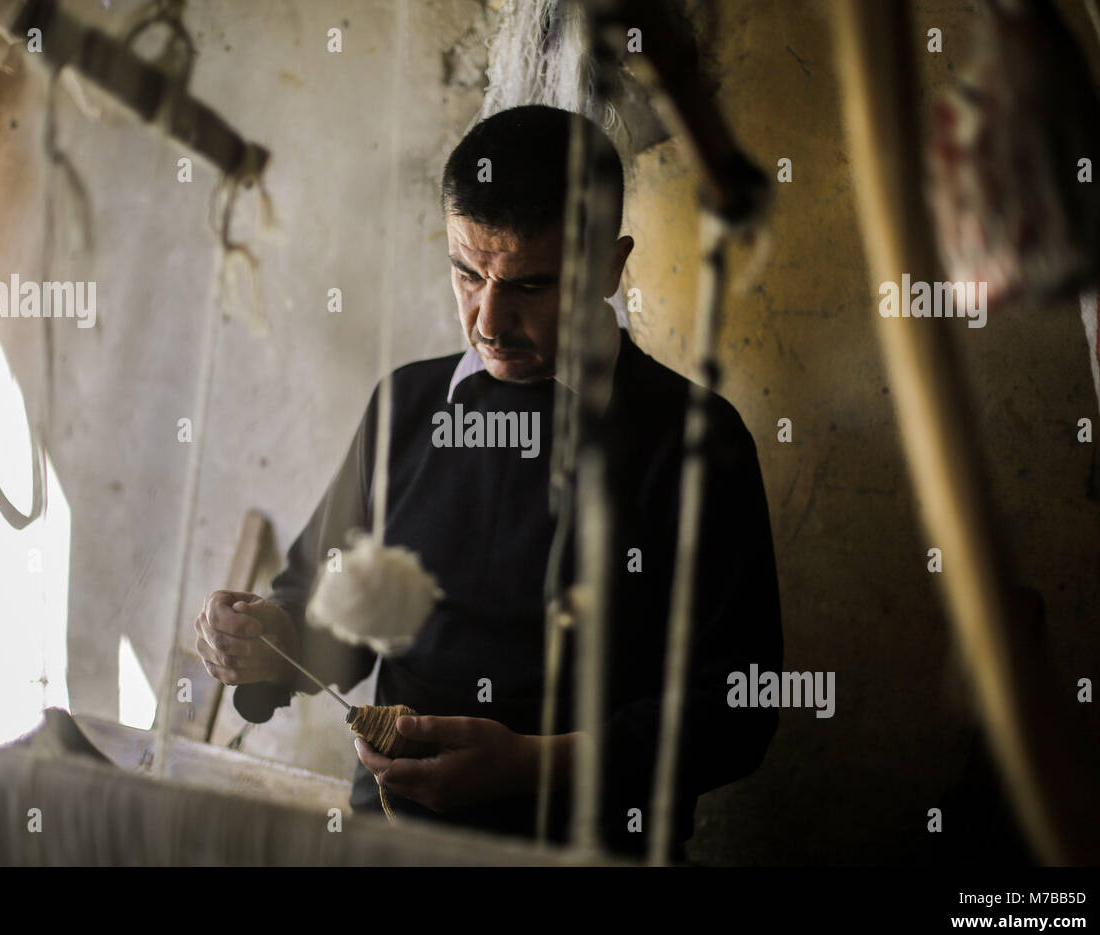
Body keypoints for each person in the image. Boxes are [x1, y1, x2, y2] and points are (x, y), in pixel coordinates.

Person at [195, 104, 782, 862]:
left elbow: (738, 709)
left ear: (608, 265)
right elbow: (323, 613)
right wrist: (267, 643)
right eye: (467, 272)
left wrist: (534, 768)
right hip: (393, 845)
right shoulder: (405, 408)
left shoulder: (694, 442)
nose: (489, 320)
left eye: (531, 285)